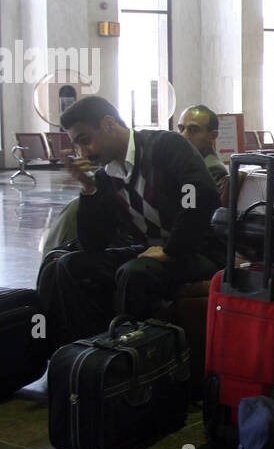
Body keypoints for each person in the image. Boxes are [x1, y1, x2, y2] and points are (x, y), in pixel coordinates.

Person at [37, 96, 224, 348]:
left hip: (198, 251)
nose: (84, 152)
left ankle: (131, 363)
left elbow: (199, 195)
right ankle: (87, 354)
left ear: (108, 124)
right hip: (151, 251)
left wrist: (171, 250)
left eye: (85, 140)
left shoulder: (166, 145)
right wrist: (89, 189)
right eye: (77, 145)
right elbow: (94, 244)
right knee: (69, 265)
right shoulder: (105, 175)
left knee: (134, 273)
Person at [177, 104, 229, 187]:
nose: (183, 136)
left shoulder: (213, 169)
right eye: (181, 129)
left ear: (212, 136)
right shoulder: (187, 162)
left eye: (193, 130)